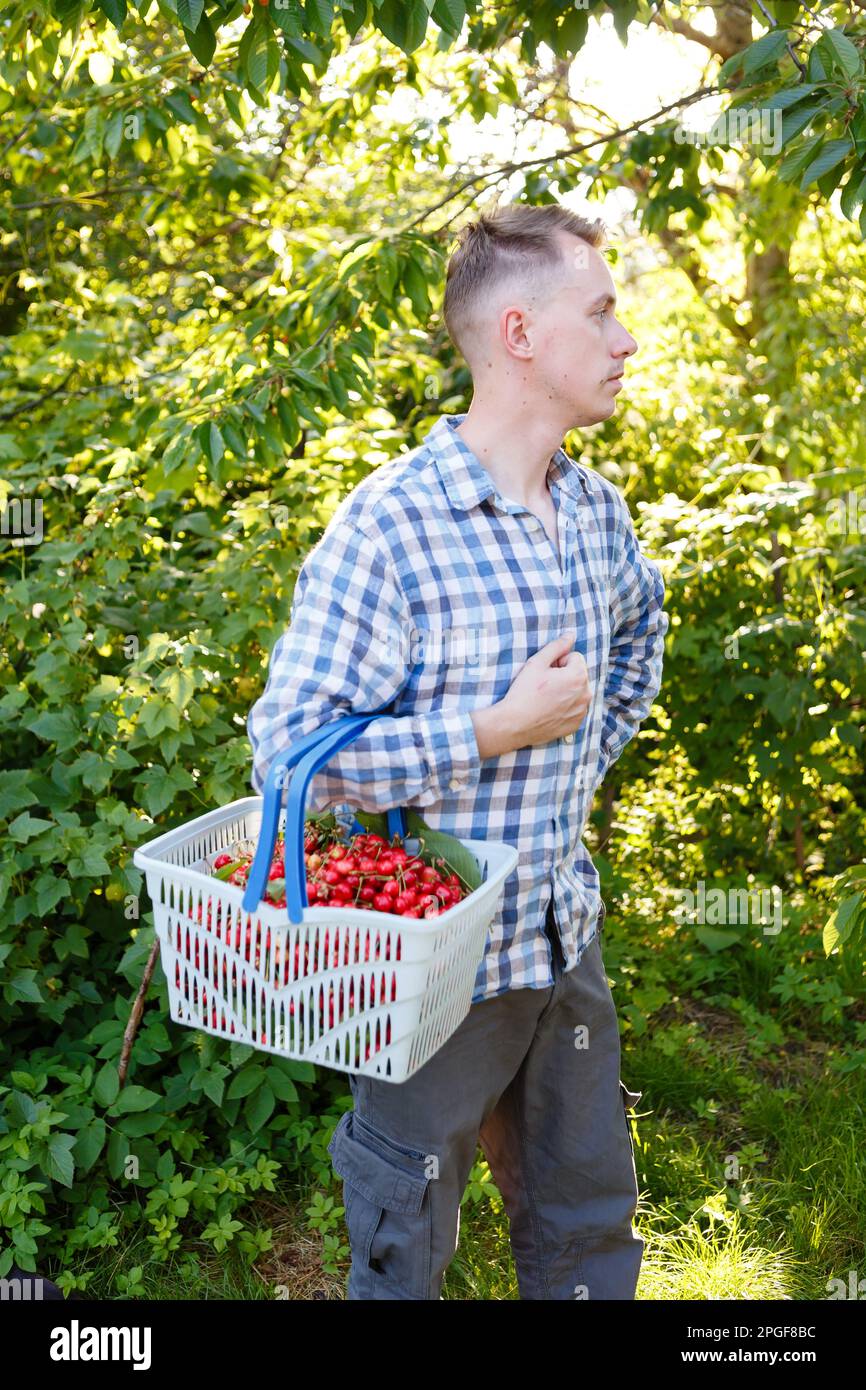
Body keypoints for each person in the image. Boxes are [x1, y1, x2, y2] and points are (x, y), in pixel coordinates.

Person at [247, 199, 669, 1300]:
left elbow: (637, 638)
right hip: (429, 975)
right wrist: (492, 732)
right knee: (403, 1240)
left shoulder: (594, 511)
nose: (625, 338)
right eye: (602, 311)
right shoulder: (390, 527)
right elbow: (286, 753)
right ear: (520, 333)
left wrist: (567, 762)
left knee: (583, 1215)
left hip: (557, 934)